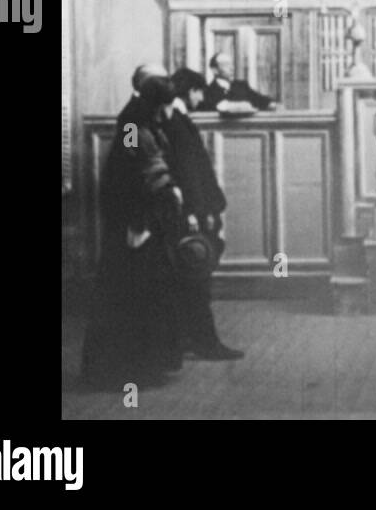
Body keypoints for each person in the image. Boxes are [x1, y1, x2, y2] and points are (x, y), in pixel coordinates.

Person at [81, 74, 186, 389]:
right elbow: (129, 176)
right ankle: (123, 369)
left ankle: (141, 365)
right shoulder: (132, 129)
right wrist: (138, 221)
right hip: (135, 224)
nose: (171, 112)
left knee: (143, 294)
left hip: (144, 220)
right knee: (130, 294)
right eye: (168, 106)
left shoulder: (140, 124)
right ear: (158, 105)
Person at [165, 68, 243, 360]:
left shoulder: (175, 119)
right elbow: (189, 173)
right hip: (196, 211)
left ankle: (188, 337)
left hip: (195, 209)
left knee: (192, 275)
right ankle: (205, 342)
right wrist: (202, 211)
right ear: (190, 91)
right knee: (197, 276)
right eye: (198, 91)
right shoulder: (177, 121)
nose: (201, 96)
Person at [199, 51, 275, 112]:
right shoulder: (207, 92)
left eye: (231, 64)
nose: (232, 68)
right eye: (226, 64)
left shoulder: (242, 86)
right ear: (214, 70)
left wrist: (270, 104)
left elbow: (260, 100)